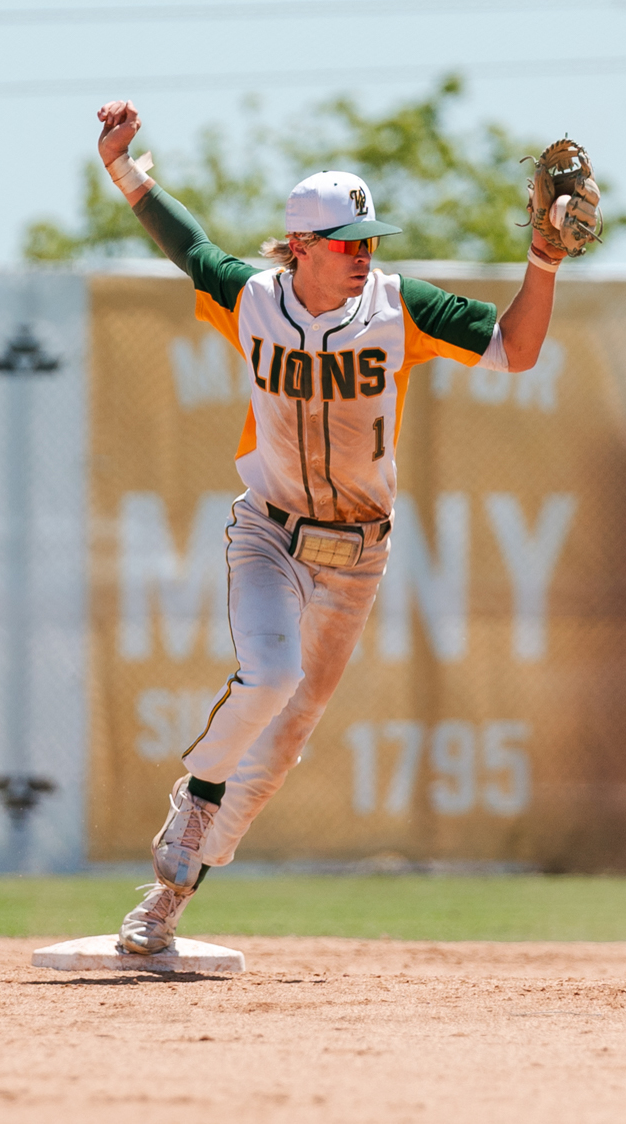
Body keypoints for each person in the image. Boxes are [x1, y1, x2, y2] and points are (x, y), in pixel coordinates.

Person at [92, 100, 570, 954]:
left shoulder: (399, 307)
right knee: (268, 677)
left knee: (284, 744)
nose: (364, 256)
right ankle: (191, 807)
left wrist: (543, 260)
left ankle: (173, 898)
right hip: (269, 533)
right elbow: (187, 244)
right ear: (301, 247)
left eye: (370, 241)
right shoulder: (252, 299)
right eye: (349, 243)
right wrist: (126, 171)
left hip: (357, 555)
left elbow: (517, 349)